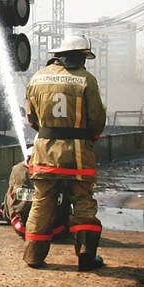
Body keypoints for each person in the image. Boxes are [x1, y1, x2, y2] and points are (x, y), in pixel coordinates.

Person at [22, 34, 107, 271]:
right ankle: (85, 257)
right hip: (78, 154)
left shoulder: (37, 78)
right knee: (83, 203)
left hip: (45, 152)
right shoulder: (86, 79)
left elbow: (32, 119)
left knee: (41, 203)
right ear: (78, 57)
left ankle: (33, 257)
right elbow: (97, 119)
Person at [3, 157, 69, 240]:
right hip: (57, 229)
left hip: (22, 228)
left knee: (11, 191)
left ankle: (5, 211)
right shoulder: (61, 168)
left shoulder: (18, 169)